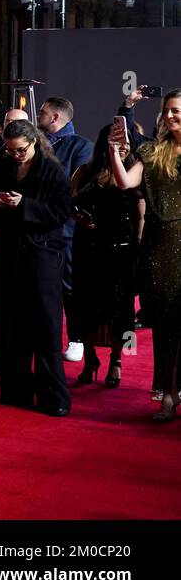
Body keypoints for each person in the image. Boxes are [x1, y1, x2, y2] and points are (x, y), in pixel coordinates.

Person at [0, 119, 74, 416]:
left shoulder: (52, 170)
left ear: (34, 142)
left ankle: (54, 398)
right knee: (9, 325)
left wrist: (24, 205)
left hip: (41, 257)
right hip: (7, 254)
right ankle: (16, 391)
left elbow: (61, 213)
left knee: (45, 327)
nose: (16, 155)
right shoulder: (2, 165)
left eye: (20, 150)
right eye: (10, 151)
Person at [109, 90, 181, 420]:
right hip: (159, 248)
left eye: (176, 111)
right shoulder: (152, 152)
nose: (169, 116)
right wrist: (113, 151)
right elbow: (124, 183)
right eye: (167, 111)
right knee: (166, 326)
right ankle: (168, 394)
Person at [70, 124, 144, 389]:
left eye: (128, 141)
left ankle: (116, 360)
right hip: (88, 247)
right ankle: (90, 359)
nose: (124, 145)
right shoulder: (85, 170)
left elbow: (141, 213)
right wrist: (78, 216)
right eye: (118, 140)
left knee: (119, 309)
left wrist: (139, 246)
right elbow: (71, 201)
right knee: (86, 305)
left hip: (120, 249)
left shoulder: (136, 171)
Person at [36, 97, 93, 365]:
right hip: (37, 229)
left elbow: (77, 190)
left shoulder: (81, 146)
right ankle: (46, 338)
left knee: (70, 288)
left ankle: (77, 338)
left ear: (56, 117)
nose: (38, 115)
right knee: (42, 288)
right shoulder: (36, 143)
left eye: (42, 112)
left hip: (67, 230)